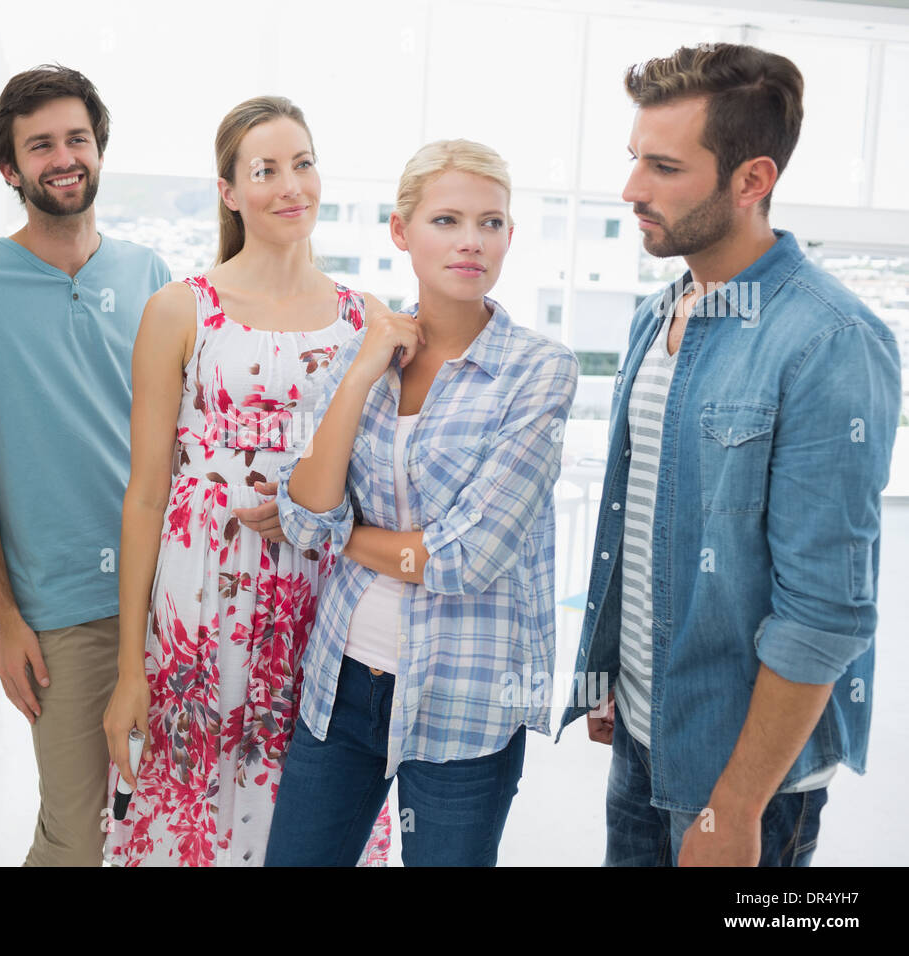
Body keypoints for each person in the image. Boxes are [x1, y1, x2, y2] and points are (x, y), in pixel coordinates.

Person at [557, 43, 901, 867]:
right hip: (645, 733)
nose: (633, 188)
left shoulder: (831, 340)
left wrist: (736, 808)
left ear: (752, 181)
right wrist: (616, 674)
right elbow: (642, 518)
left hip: (740, 781)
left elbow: (824, 612)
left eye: (665, 167)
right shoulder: (660, 310)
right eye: (635, 158)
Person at [263, 140, 580, 867]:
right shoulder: (363, 354)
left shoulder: (539, 372)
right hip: (342, 683)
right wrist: (365, 368)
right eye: (447, 220)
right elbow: (307, 513)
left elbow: (465, 557)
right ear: (402, 232)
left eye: (491, 223)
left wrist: (340, 532)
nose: (472, 241)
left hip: (465, 696)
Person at [101, 96, 391, 866]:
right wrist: (132, 668)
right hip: (198, 601)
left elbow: (384, 473)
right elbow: (145, 494)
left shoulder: (367, 318)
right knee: (190, 812)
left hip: (319, 601)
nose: (292, 185)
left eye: (303, 162)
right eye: (266, 170)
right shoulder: (179, 309)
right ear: (229, 191)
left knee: (306, 813)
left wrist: (310, 506)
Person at [0, 65, 171, 867]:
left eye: (76, 138)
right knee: (78, 836)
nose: (62, 156)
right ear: (10, 169)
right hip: (64, 610)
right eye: (39, 145)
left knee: (168, 825)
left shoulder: (151, 278)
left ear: (98, 149)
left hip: (173, 593)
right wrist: (4, 617)